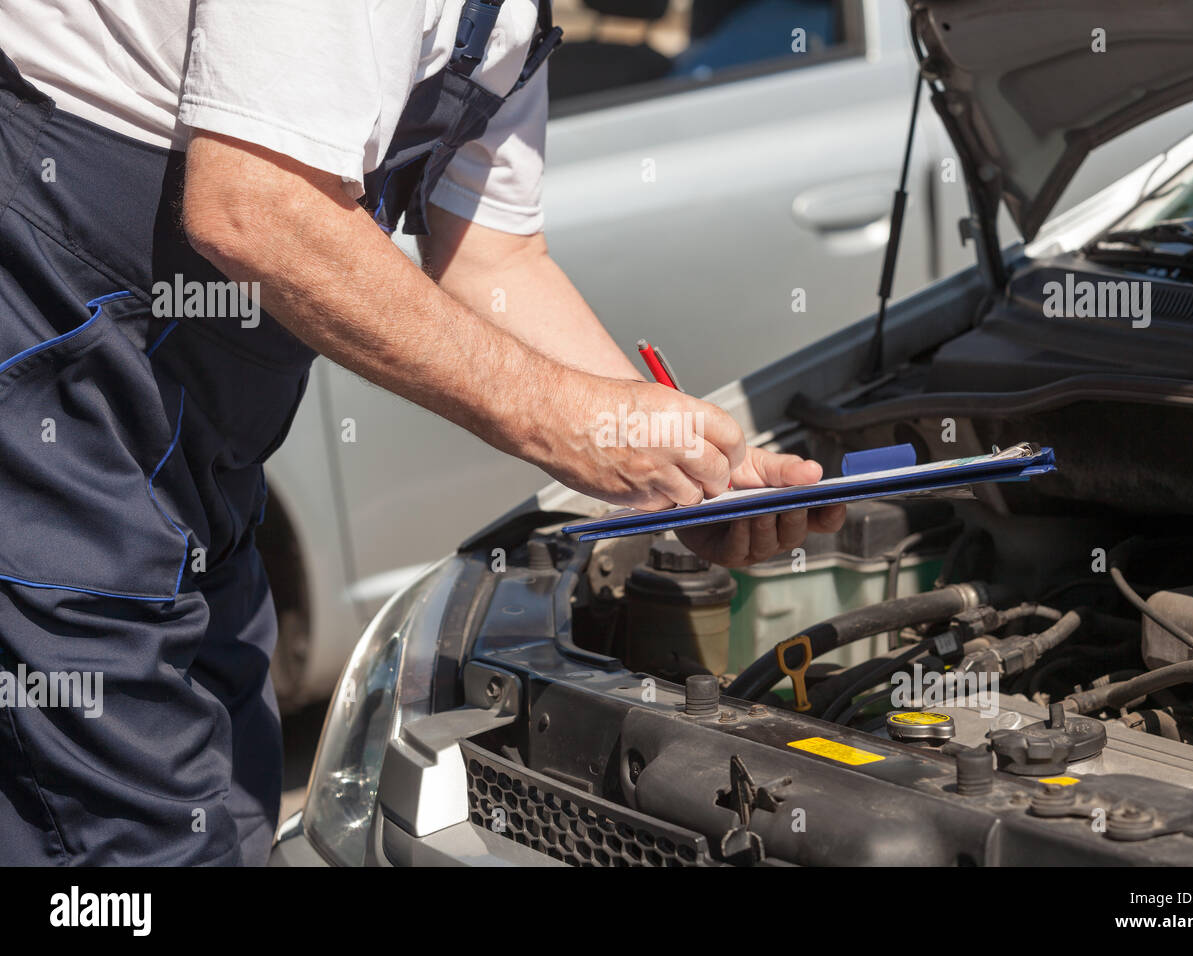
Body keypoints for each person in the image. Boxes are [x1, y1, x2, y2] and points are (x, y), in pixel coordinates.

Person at [0, 0, 844, 865]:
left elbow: (495, 255)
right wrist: (566, 421)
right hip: (61, 412)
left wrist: (677, 466)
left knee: (231, 805)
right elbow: (256, 207)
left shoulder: (515, 20)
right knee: (124, 838)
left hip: (196, 475)